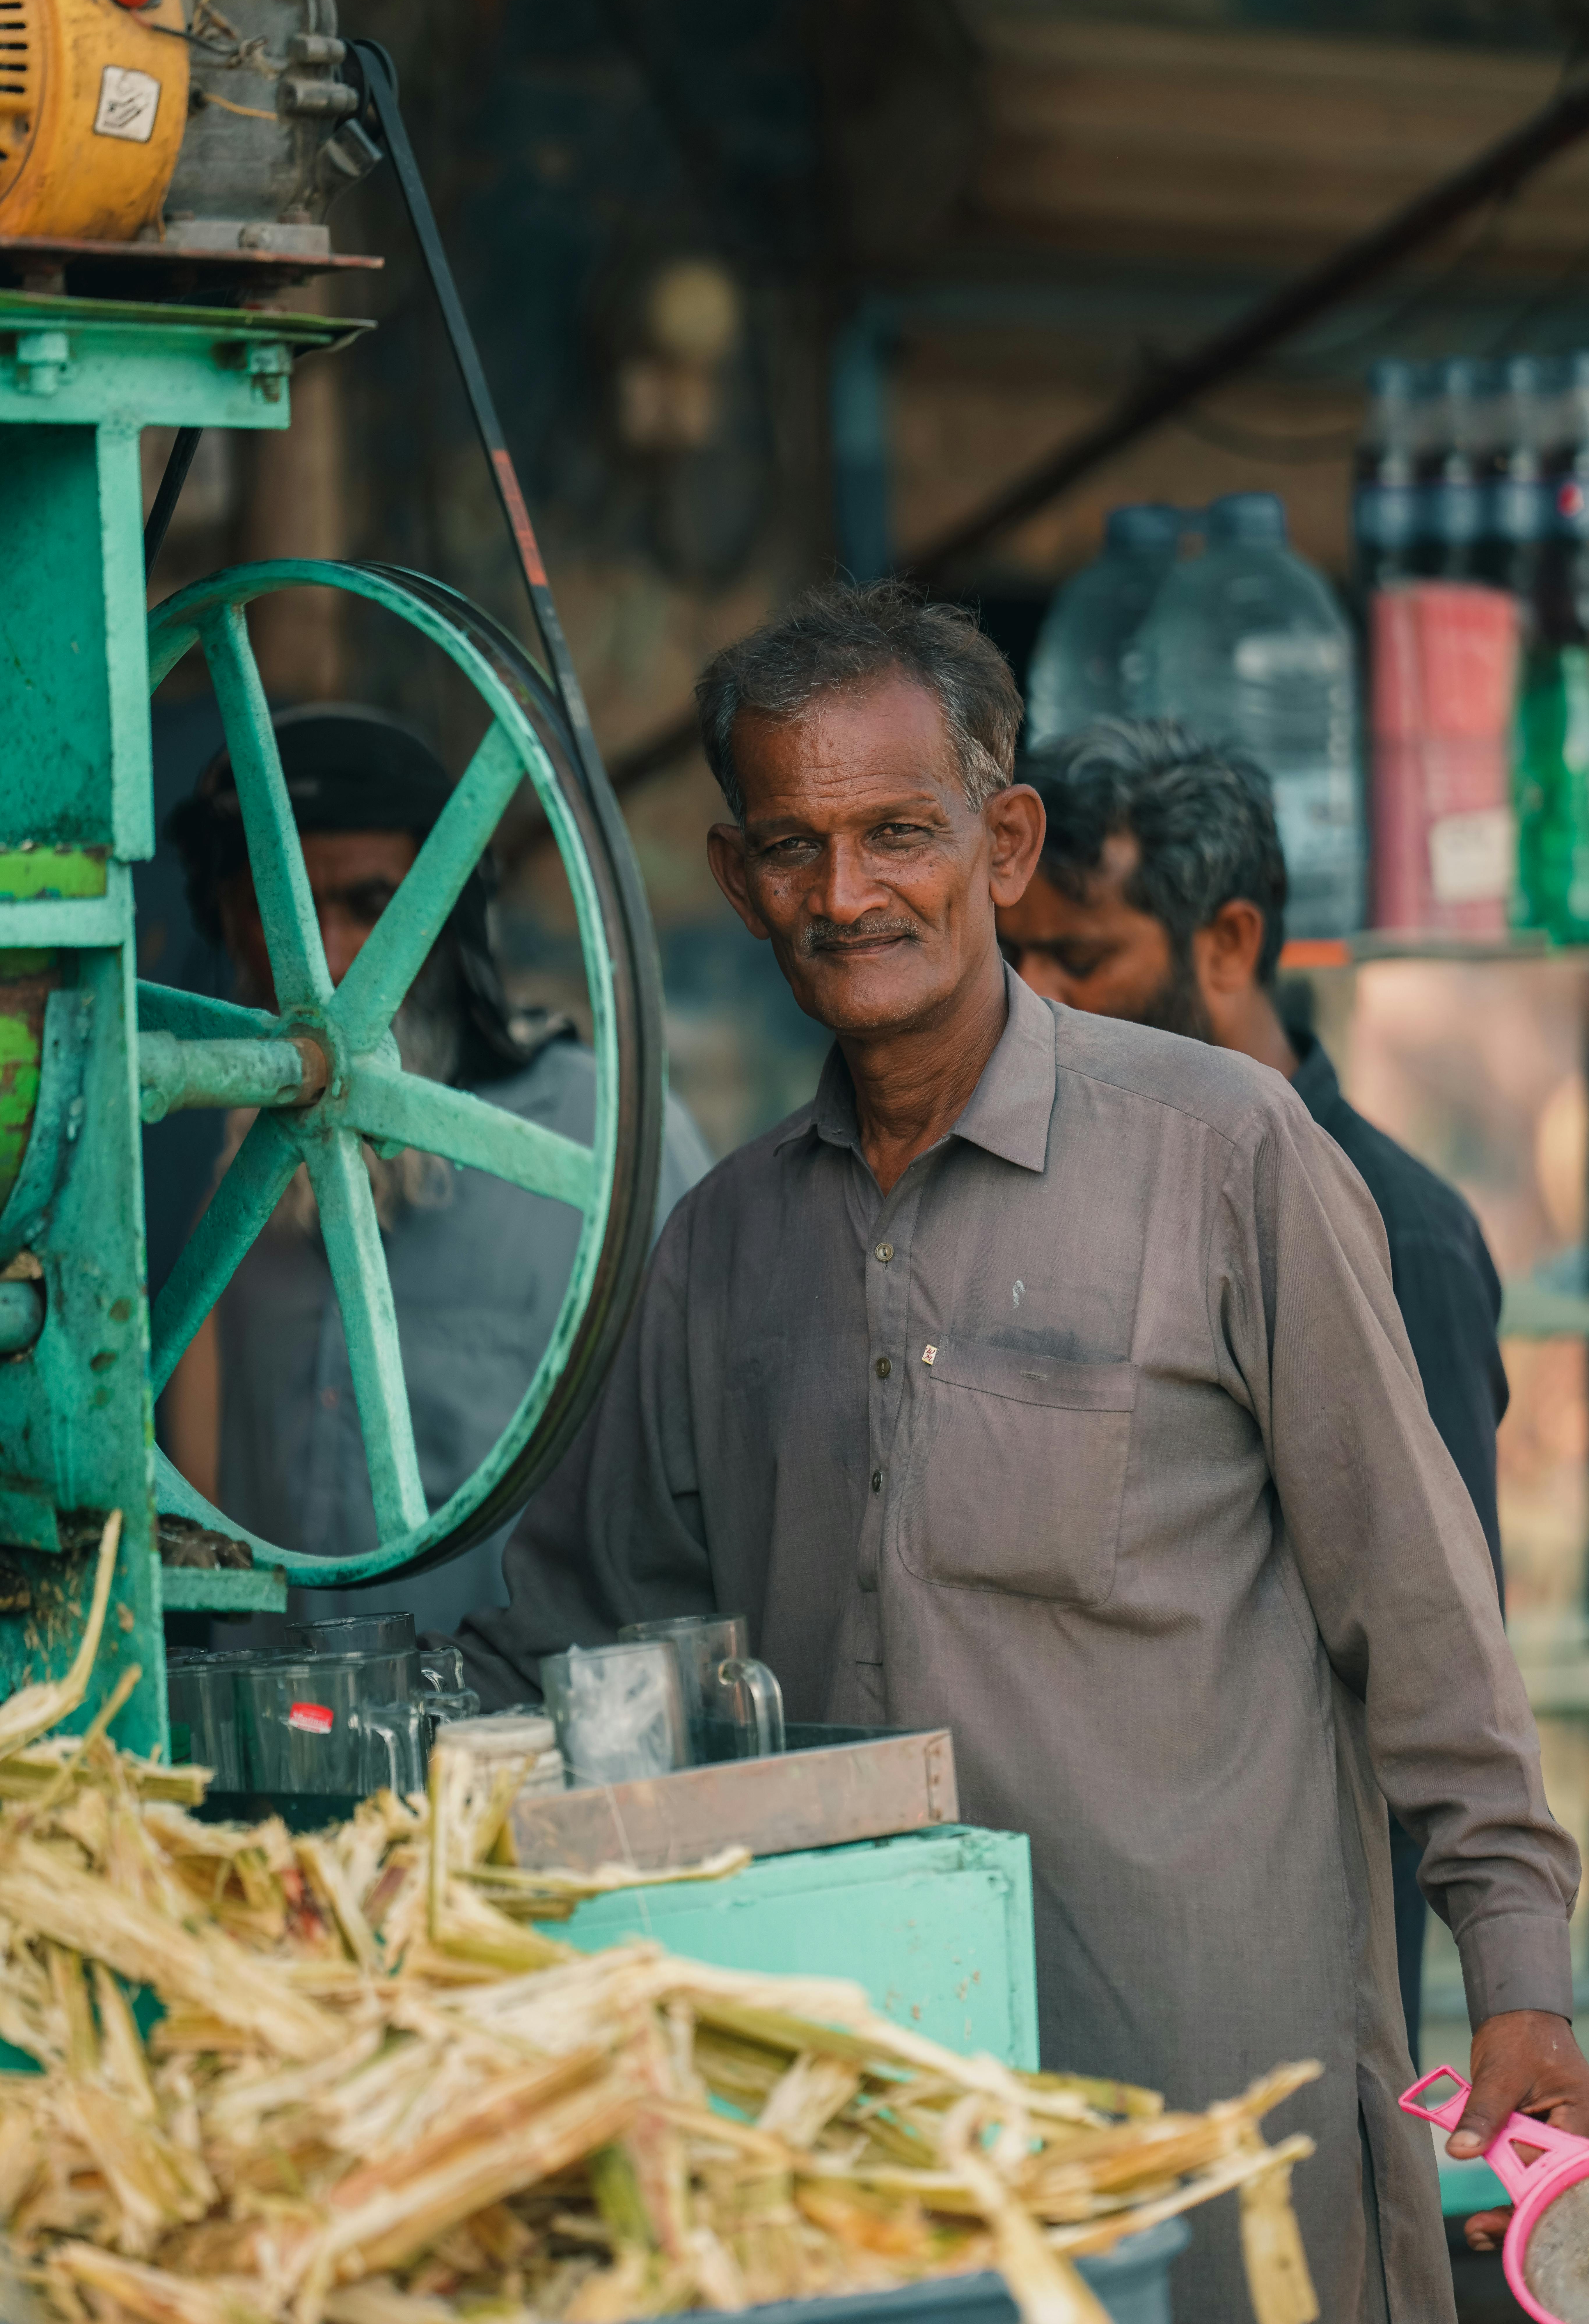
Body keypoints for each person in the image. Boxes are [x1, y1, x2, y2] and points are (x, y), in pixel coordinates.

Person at [456, 579, 1585, 2324]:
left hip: (1224, 2117)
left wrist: (1519, 1972)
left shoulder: (1226, 1154)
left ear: (1002, 844)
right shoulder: (723, 1247)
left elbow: (1419, 1610)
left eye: (897, 832)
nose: (845, 896)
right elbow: (583, 1633)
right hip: (878, 2137)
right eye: (792, 846)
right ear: (735, 874)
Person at [994, 720, 1509, 2075]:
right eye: (1019, 955)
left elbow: (1436, 1650)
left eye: (1082, 957)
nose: (1034, 999)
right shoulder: (1049, 1191)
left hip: (1295, 1975)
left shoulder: (1403, 1232)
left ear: (1225, 945)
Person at [161, 704, 713, 1637]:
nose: (328, 959)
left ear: (449, 915)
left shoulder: (598, 1133)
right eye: (275, 904)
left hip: (525, 1742)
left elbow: (714, 1453)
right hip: (283, 1747)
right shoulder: (236, 1184)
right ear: (224, 917)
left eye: (371, 906)